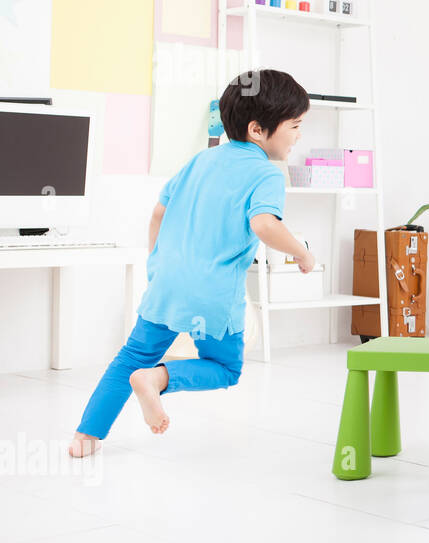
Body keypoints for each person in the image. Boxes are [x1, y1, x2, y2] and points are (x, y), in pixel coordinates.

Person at [68, 70, 315, 457]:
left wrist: (158, 263)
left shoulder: (201, 160)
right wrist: (301, 252)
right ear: (257, 129)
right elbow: (265, 224)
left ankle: (85, 437)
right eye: (295, 125)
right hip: (212, 295)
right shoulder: (266, 173)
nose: (299, 135)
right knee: (225, 368)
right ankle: (157, 379)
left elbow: (157, 214)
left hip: (166, 283)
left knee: (131, 356)